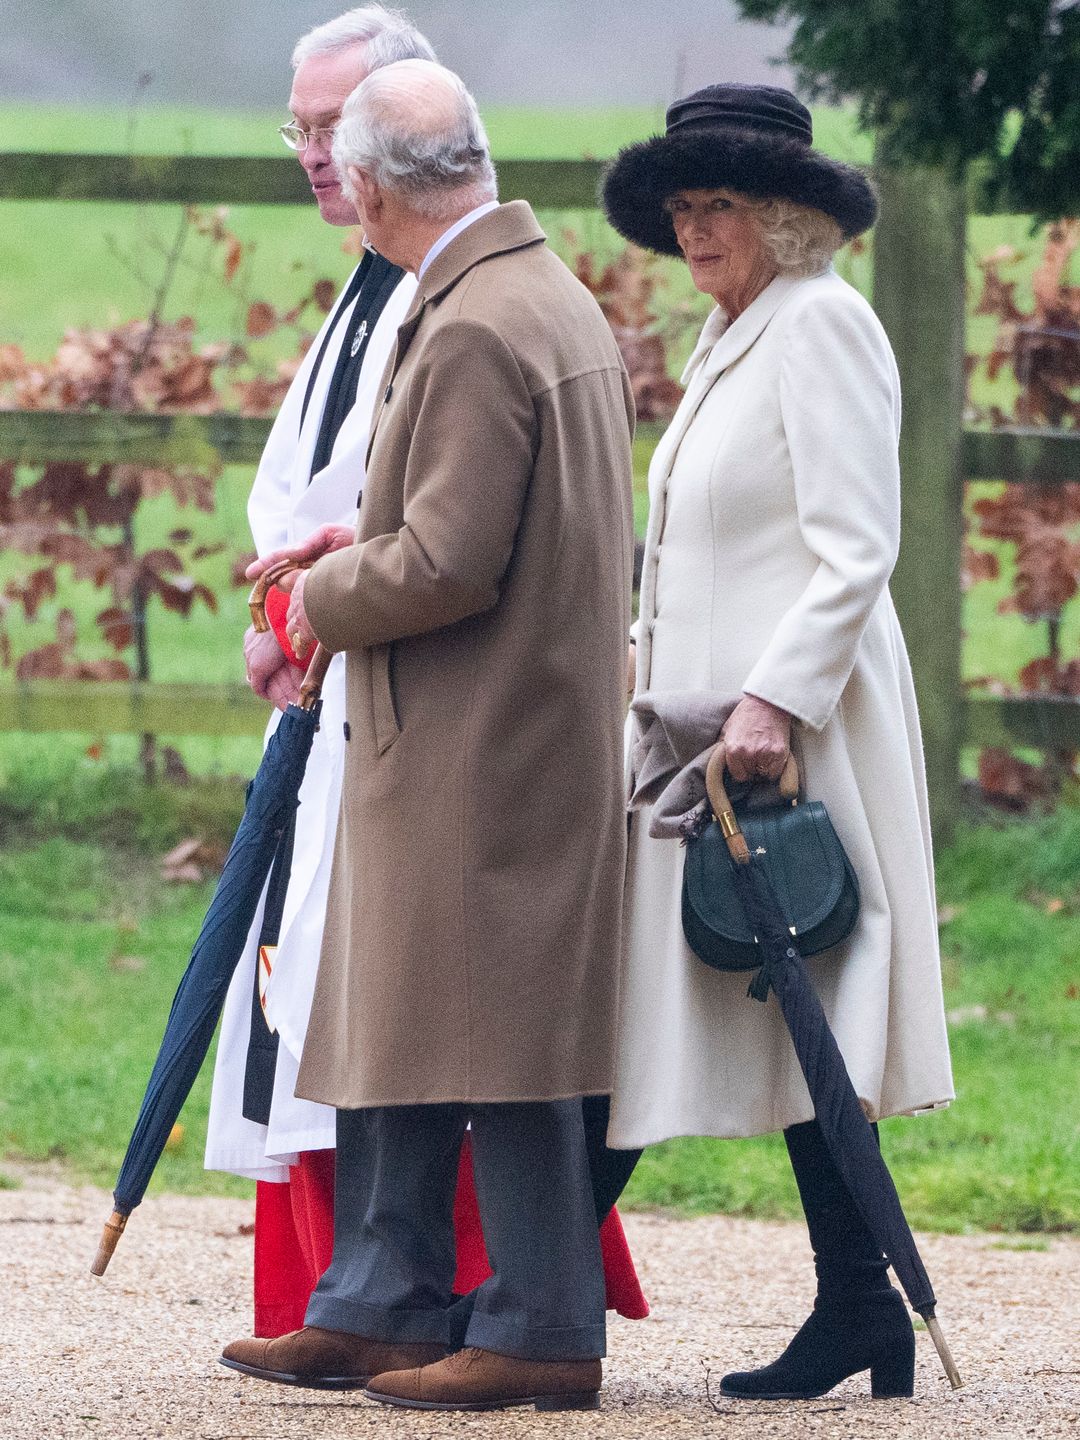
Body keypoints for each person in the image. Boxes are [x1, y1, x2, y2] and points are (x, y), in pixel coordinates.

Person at [206, 8, 645, 1345]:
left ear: (389, 186)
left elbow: (450, 565)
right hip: (487, 729)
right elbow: (461, 522)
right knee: (404, 1023)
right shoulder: (530, 292)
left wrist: (305, 597)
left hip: (482, 735)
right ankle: (381, 1292)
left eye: (344, 166)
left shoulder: (467, 324)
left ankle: (535, 1327)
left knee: (496, 1046)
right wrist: (362, 542)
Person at [601, 84, 955, 1401]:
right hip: (702, 728)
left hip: (797, 728)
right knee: (767, 996)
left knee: (800, 988)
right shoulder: (726, 335)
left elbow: (858, 544)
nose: (695, 229)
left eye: (721, 205)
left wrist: (770, 701)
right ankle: (858, 1309)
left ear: (787, 215)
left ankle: (529, 1291)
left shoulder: (824, 326)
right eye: (681, 208)